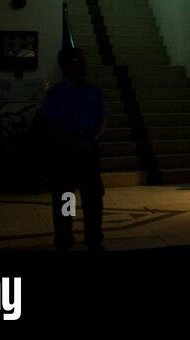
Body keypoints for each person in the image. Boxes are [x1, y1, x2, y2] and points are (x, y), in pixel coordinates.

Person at [42, 46, 107, 250]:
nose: (84, 65)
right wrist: (70, 140)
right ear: (67, 65)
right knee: (66, 196)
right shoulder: (57, 93)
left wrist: (94, 137)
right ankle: (65, 236)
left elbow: (102, 118)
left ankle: (92, 236)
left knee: (92, 196)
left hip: (86, 145)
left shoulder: (92, 91)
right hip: (66, 149)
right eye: (79, 61)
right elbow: (51, 122)